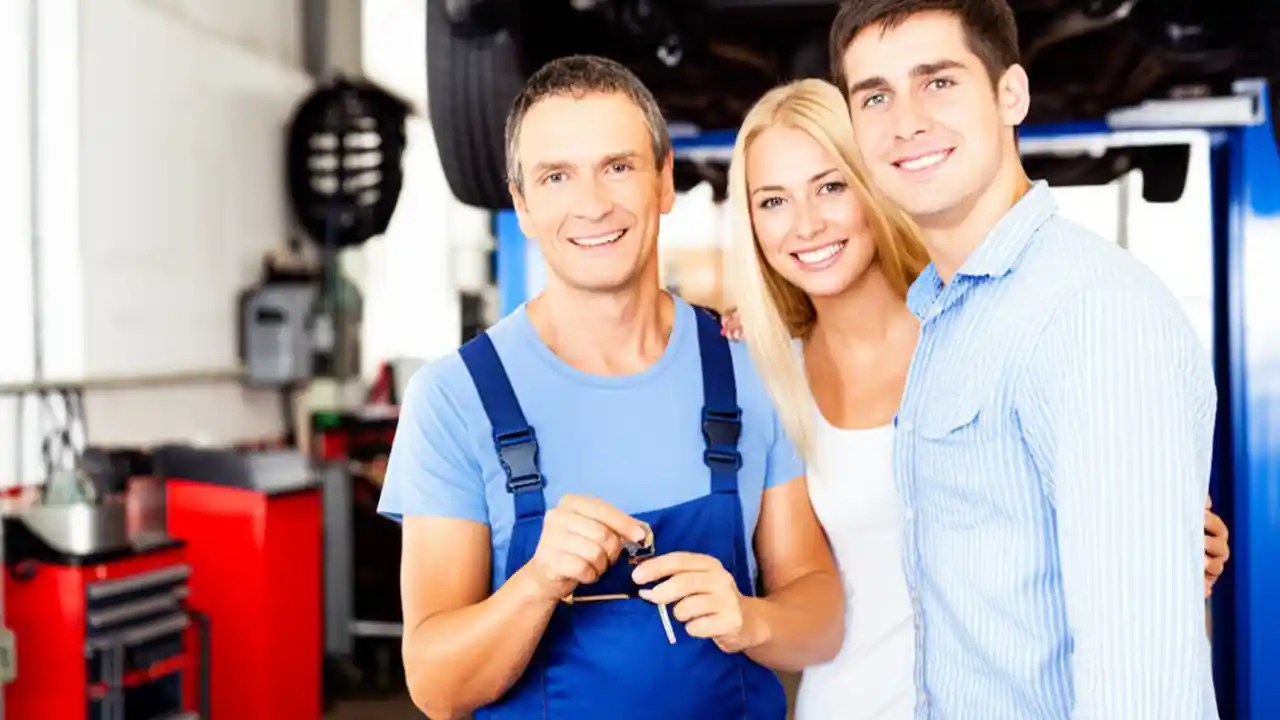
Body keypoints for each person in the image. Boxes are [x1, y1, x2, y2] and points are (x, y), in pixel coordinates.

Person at [720, 77, 1231, 719]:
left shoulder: (983, 337)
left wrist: (1158, 544)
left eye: (831, 186)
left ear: (874, 183)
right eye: (773, 201)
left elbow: (1106, 533)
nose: (806, 224)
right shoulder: (765, 375)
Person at [376, 54, 844, 720]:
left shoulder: (747, 368)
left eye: (618, 167)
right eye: (556, 177)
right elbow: (436, 688)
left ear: (664, 181)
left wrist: (751, 619)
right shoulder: (454, 398)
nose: (593, 204)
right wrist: (538, 584)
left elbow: (819, 617)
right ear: (522, 205)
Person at [825, 0, 1215, 716]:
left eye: (938, 81)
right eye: (875, 96)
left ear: (1011, 94)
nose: (905, 121)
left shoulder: (1090, 314)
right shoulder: (952, 314)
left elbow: (1142, 679)